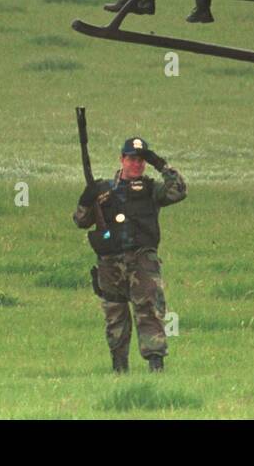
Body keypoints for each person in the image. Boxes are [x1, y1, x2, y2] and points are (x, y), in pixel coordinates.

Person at [73, 136, 187, 373]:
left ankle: (156, 365)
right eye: (133, 159)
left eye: (141, 160)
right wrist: (86, 199)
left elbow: (179, 190)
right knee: (115, 316)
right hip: (110, 264)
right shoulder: (104, 191)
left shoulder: (151, 189)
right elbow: (81, 221)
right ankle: (119, 368)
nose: (137, 164)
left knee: (150, 312)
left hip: (142, 261)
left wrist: (160, 164)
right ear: (122, 159)